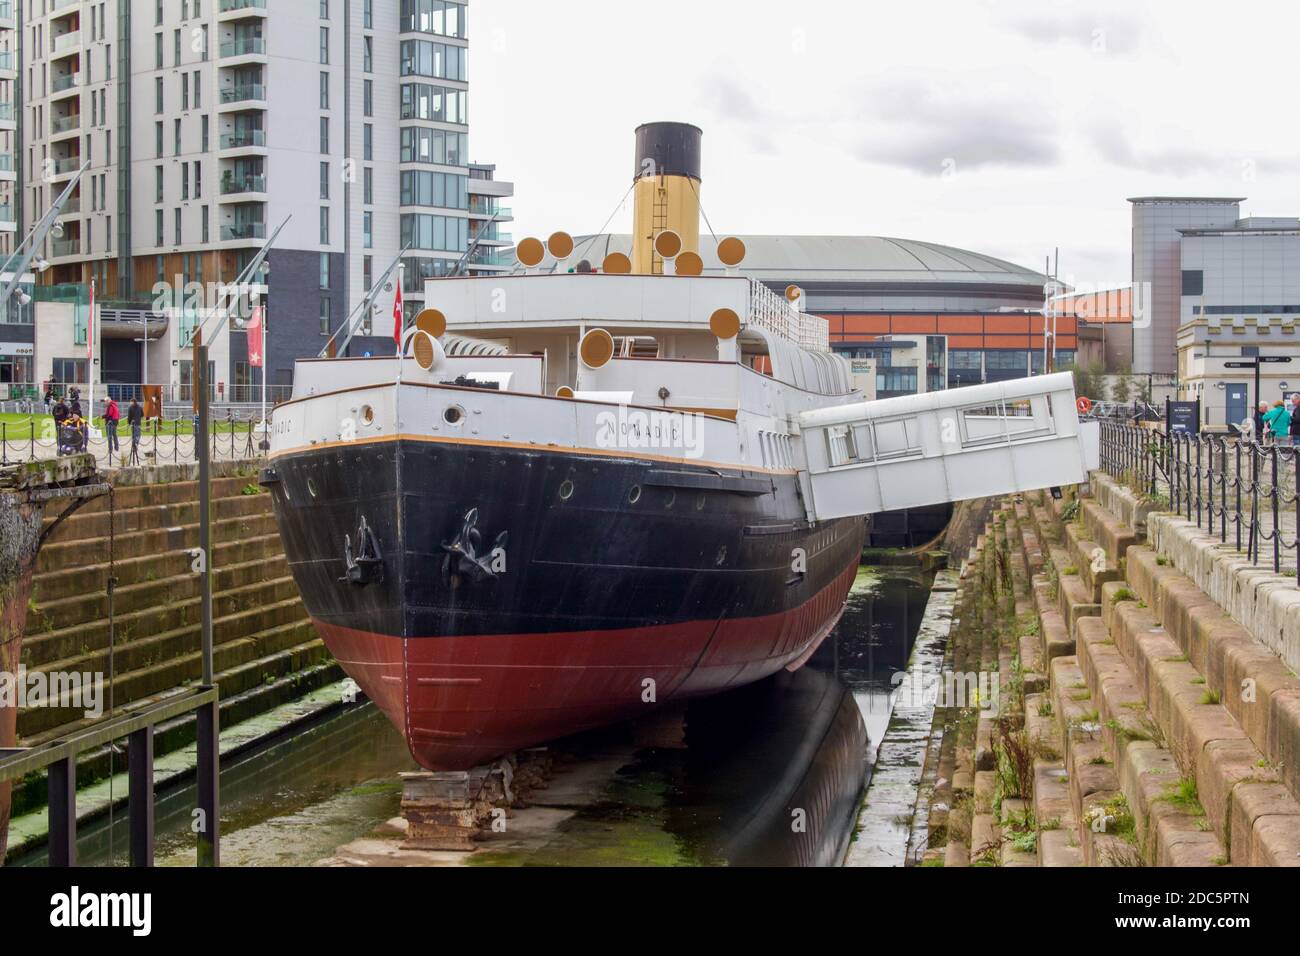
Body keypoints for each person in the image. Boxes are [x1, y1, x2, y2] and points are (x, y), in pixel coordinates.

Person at [127, 397, 143, 463]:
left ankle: (134, 444)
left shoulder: (130, 408)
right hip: (138, 423)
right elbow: (142, 414)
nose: (130, 403)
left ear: (133, 401)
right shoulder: (140, 407)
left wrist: (128, 422)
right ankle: (136, 444)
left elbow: (129, 416)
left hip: (133, 423)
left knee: (134, 435)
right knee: (138, 435)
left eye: (130, 401)